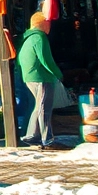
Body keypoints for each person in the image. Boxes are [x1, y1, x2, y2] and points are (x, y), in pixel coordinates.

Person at [17, 13, 68, 150]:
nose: (50, 25)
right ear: (43, 23)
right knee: (44, 108)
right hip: (41, 78)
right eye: (49, 22)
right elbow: (46, 60)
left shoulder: (27, 38)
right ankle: (47, 139)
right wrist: (58, 74)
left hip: (29, 77)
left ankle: (32, 135)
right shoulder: (39, 37)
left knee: (38, 106)